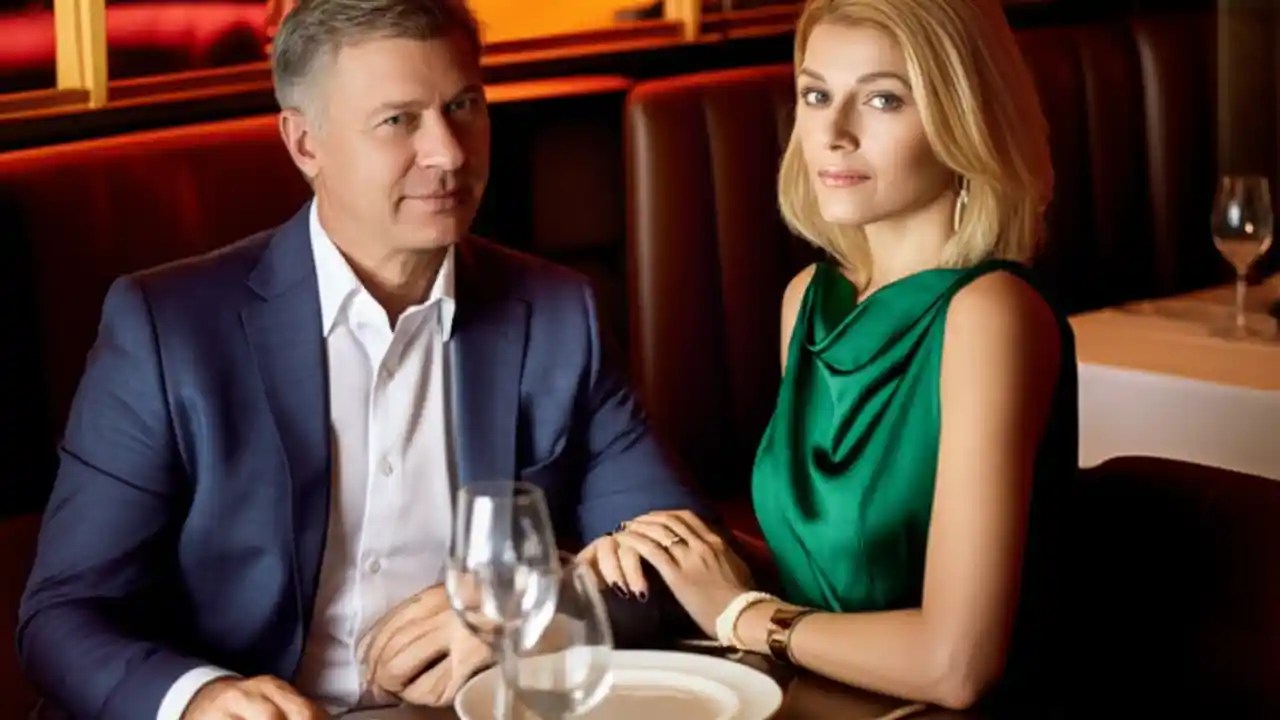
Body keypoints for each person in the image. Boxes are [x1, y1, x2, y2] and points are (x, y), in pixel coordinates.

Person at [17, 0, 704, 718]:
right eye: (398, 120)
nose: (448, 152)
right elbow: (65, 615)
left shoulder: (560, 313)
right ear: (305, 144)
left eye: (464, 105)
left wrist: (527, 615)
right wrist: (197, 700)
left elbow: (682, 559)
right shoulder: (168, 330)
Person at [587, 0, 1075, 710]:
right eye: (817, 95)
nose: (833, 134)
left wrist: (740, 614)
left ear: (963, 118)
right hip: (821, 697)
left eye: (882, 99)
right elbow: (832, 573)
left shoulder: (990, 315)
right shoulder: (809, 302)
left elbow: (957, 665)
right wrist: (676, 552)